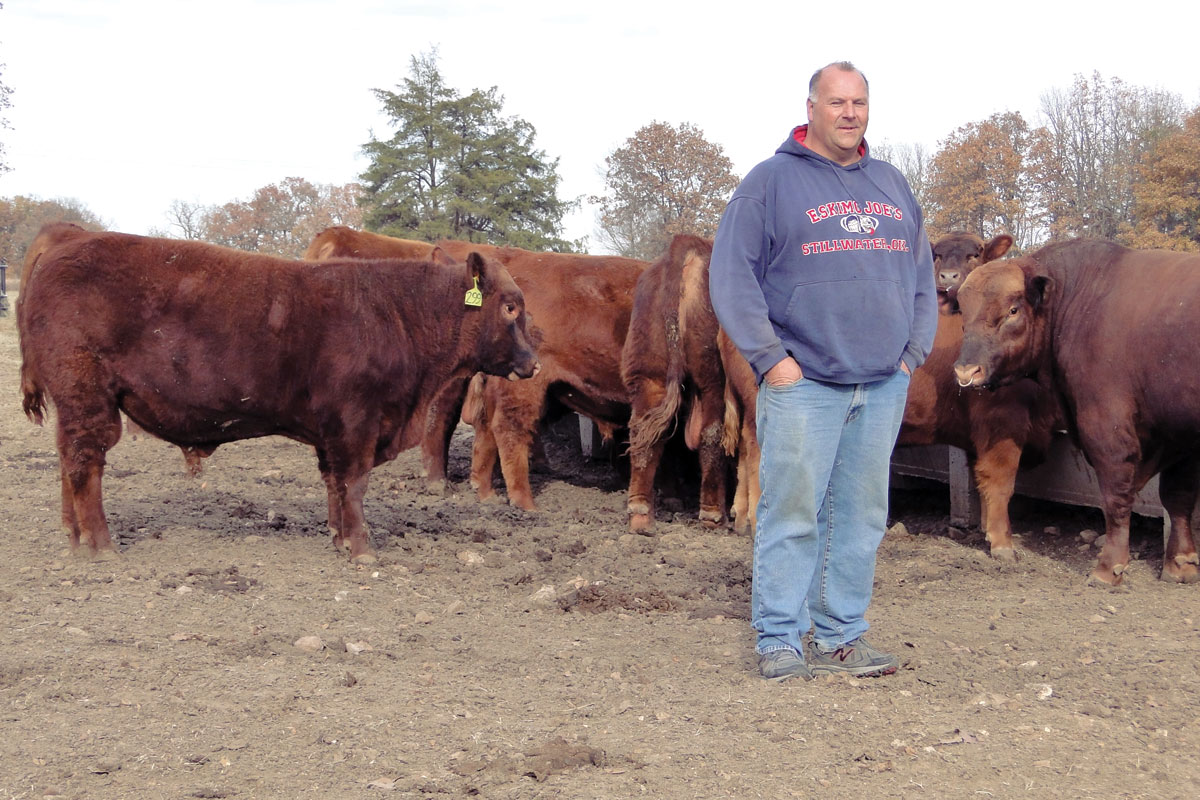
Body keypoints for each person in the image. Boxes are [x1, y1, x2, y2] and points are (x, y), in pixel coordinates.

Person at [709, 61, 937, 681]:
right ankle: (780, 638)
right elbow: (731, 277)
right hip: (804, 383)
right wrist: (771, 359)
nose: (849, 113)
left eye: (859, 102)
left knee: (860, 516)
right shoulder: (770, 183)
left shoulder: (891, 184)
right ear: (810, 106)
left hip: (881, 383)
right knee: (792, 512)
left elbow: (921, 279)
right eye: (836, 101)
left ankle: (840, 636)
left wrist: (912, 353)